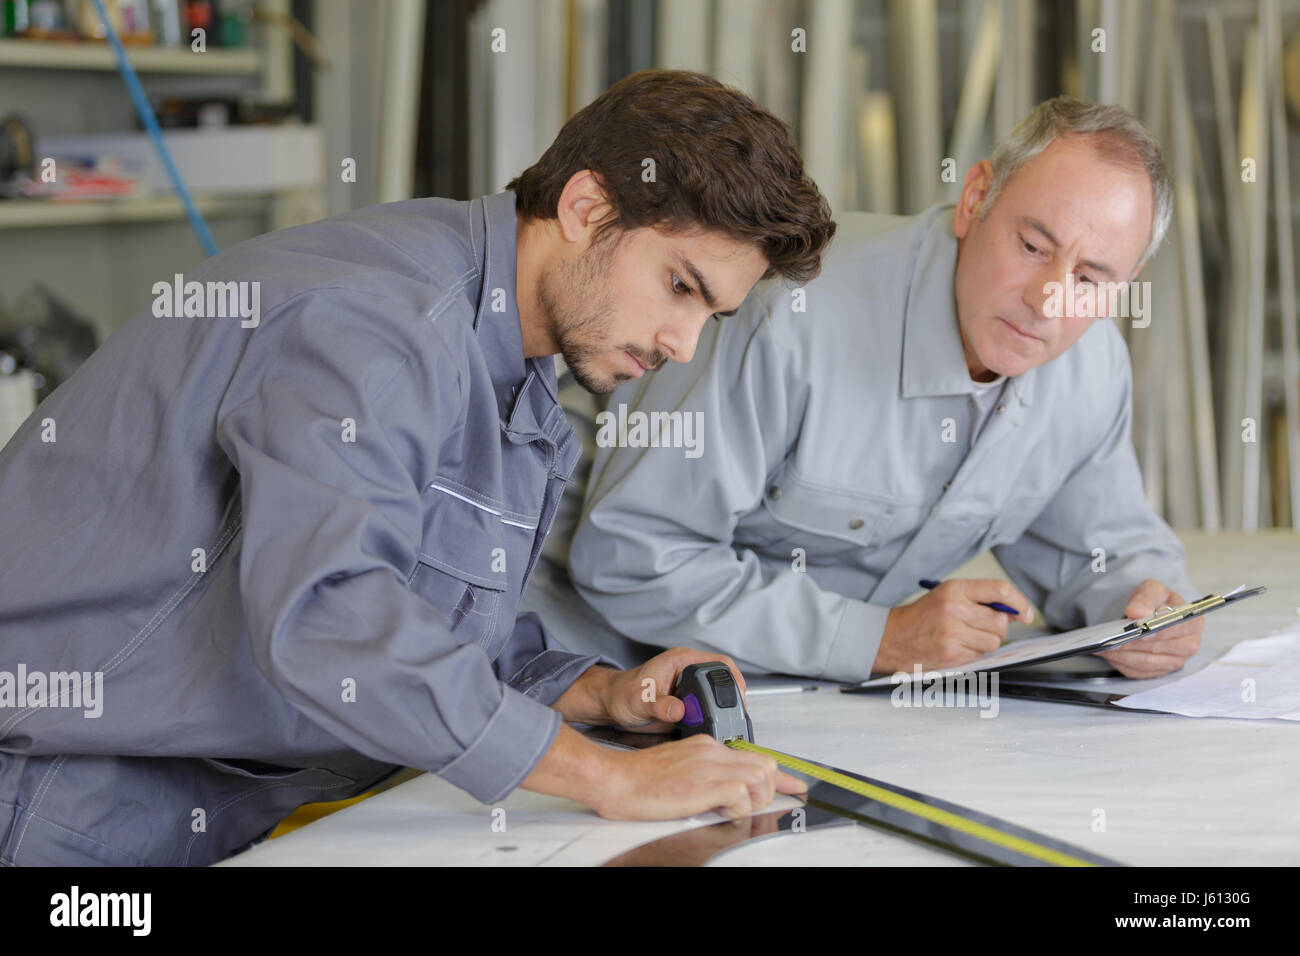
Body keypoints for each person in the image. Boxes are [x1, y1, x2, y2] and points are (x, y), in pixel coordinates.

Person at [0, 69, 835, 865]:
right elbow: (334, 617)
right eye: (680, 286)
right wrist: (607, 776)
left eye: (713, 315)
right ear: (587, 207)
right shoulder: (381, 327)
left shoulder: (517, 367)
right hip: (65, 797)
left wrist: (599, 696)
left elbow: (429, 617)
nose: (682, 345)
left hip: (212, 802)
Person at [537, 96, 1203, 683]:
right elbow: (634, 555)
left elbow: (1097, 550)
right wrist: (880, 639)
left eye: (1092, 278)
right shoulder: (794, 314)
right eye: (1033, 246)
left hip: (798, 698)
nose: (1047, 303)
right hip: (573, 656)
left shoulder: (1089, 366)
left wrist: (1148, 608)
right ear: (976, 198)